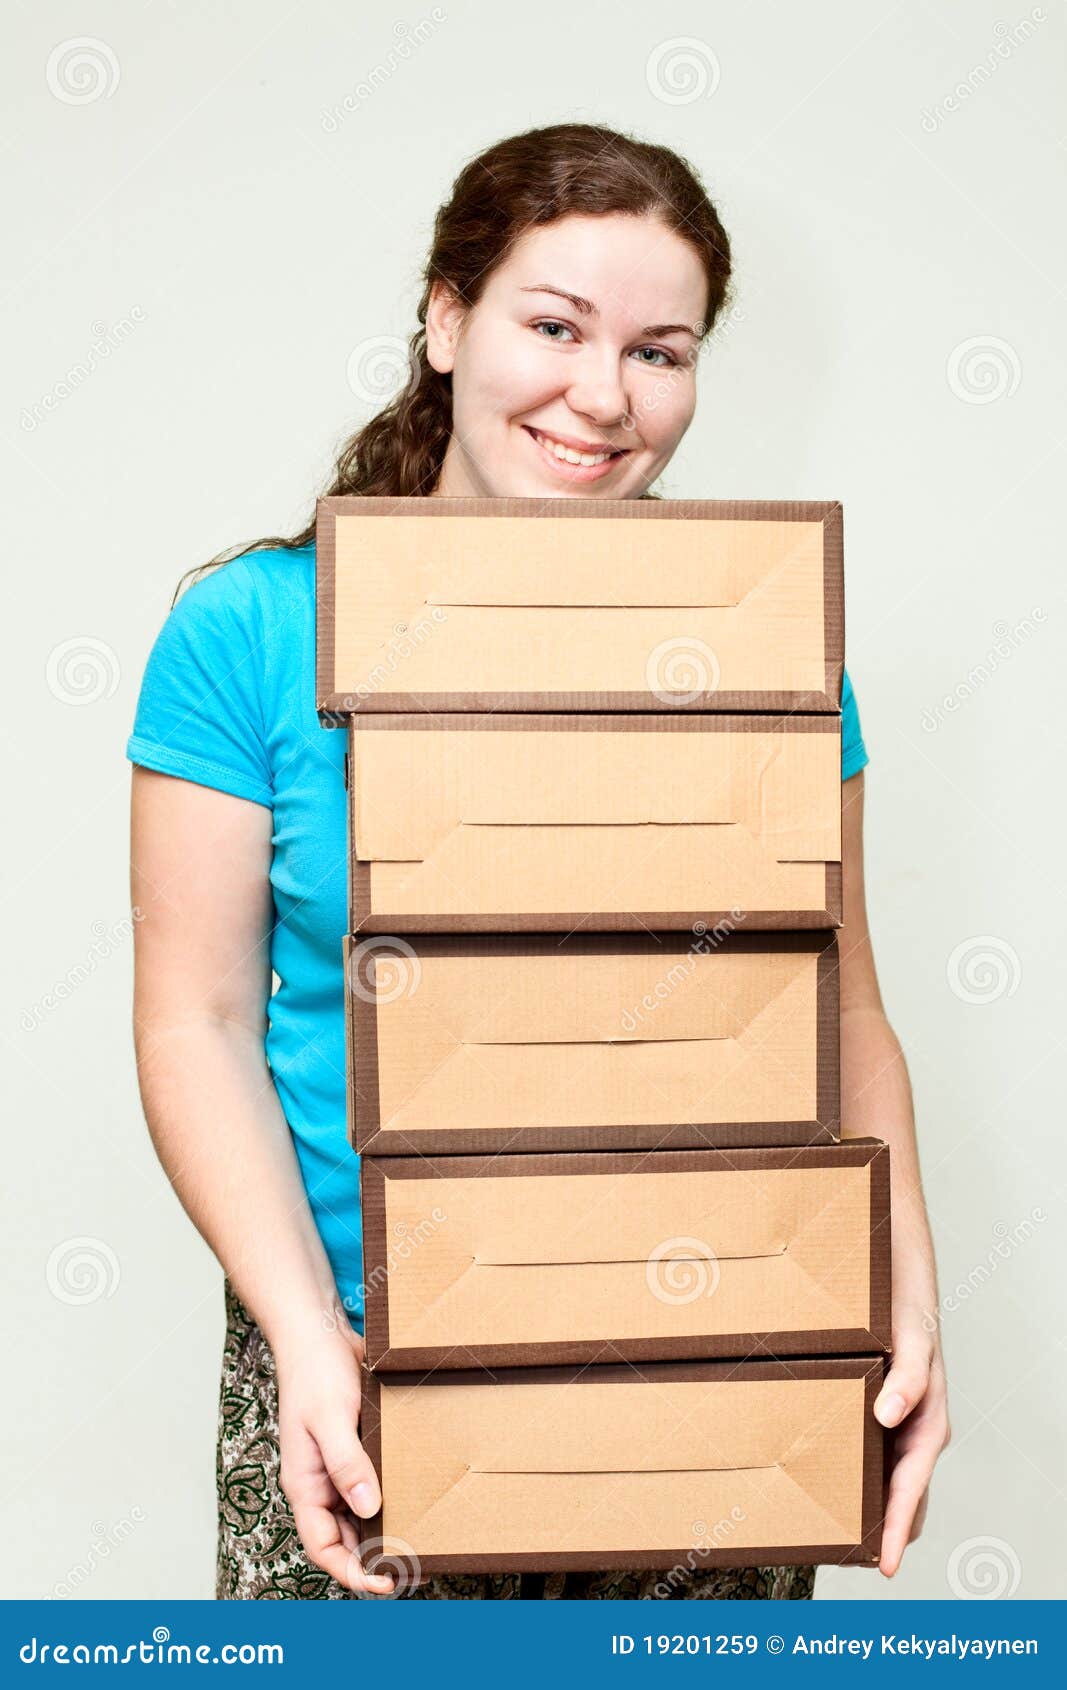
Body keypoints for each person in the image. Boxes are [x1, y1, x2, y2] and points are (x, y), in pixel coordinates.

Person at [127, 122, 949, 1601]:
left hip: (712, 1348)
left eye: (661, 349)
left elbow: (842, 1010)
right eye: (554, 326)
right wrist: (307, 1339)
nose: (603, 394)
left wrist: (902, 1284)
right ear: (446, 320)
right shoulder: (248, 632)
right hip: (363, 1361)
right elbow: (192, 1022)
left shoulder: (762, 645)